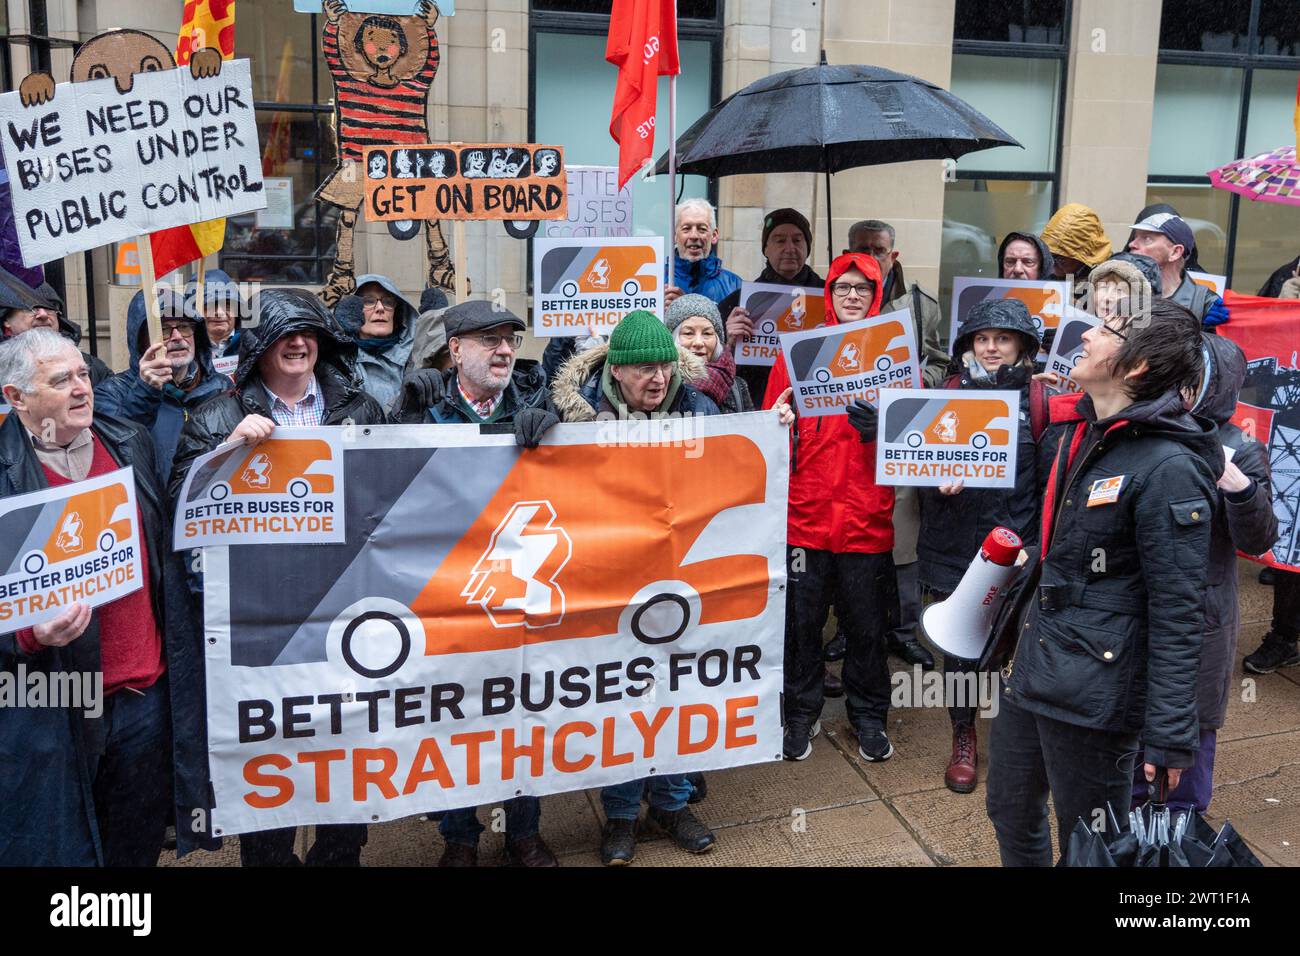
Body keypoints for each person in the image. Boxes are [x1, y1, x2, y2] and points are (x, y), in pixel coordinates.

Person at [985, 298, 1220, 866]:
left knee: (1093, 847)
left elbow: (1180, 610)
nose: (1087, 335)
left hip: (1097, 693)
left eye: (1107, 329)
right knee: (1009, 809)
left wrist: (1168, 735)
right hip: (1037, 665)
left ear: (1136, 366)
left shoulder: (1169, 467)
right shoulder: (1083, 432)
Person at [170, 289, 386, 867]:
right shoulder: (217, 416)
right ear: (259, 349)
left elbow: (394, 498)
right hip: (260, 621)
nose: (297, 343)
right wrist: (224, 455)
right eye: (284, 335)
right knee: (272, 758)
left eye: (307, 333)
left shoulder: (359, 409)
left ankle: (340, 856)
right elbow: (178, 516)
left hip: (344, 614)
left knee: (345, 757)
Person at [0, 329, 216, 866]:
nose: (81, 390)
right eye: (60, 381)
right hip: (52, 708)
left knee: (134, 850)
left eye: (82, 375)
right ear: (15, 398)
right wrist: (26, 634)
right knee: (61, 852)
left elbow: (174, 539)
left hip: (146, 696)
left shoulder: (127, 440)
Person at [390, 300, 559, 866]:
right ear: (455, 350)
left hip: (517, 597)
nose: (505, 349)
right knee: (455, 718)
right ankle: (459, 837)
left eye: (510, 338)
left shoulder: (532, 403)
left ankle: (523, 833)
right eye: (489, 340)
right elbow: (383, 483)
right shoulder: (426, 409)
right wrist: (402, 414)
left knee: (521, 716)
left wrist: (554, 428)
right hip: (449, 596)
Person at [548, 310, 718, 864]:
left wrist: (776, 426)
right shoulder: (574, 417)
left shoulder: (701, 410)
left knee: (675, 691)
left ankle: (671, 802)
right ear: (616, 372)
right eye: (645, 369)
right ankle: (621, 813)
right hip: (609, 585)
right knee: (619, 695)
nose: (659, 380)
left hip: (681, 582)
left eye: (666, 368)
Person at [1126, 331, 1277, 812]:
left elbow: (1259, 538)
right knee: (1123, 745)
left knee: (1185, 755)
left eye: (1189, 378)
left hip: (1200, 615)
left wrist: (1238, 488)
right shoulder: (1140, 430)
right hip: (1130, 605)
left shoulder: (1241, 448)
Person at [763, 253, 897, 765]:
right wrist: (780, 415)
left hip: (867, 516)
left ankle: (869, 716)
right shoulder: (799, 352)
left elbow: (918, 434)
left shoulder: (893, 353)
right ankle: (800, 712)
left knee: (866, 626)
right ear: (831, 293)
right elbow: (774, 421)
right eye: (843, 287)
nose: (853, 295)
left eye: (864, 288)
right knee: (801, 625)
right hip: (807, 515)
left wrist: (885, 426)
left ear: (877, 293)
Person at [917, 299, 1045, 794]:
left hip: (1018, 543)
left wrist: (1037, 546)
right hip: (956, 545)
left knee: (1018, 641)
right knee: (962, 648)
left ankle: (1019, 735)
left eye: (1003, 339)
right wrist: (936, 480)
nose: (990, 348)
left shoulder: (1039, 402)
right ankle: (963, 732)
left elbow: (1051, 481)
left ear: (1022, 347)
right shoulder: (943, 395)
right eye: (981, 338)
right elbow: (912, 462)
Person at [844, 220, 945, 672]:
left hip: (904, 436)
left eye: (879, 249)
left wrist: (915, 385)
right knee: (854, 544)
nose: (872, 255)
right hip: (851, 439)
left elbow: (942, 364)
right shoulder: (840, 300)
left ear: (893, 255)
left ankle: (904, 631)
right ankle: (850, 630)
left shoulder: (920, 307)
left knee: (903, 541)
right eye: (861, 248)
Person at [93, 290, 228, 483]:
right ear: (140, 342)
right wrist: (145, 392)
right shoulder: (111, 393)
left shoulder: (221, 387)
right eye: (163, 330)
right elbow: (117, 452)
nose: (177, 337)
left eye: (183, 326)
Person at [718, 208, 824, 404]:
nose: (790, 248)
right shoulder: (736, 302)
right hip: (757, 405)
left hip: (813, 407)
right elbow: (713, 367)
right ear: (765, 248)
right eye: (780, 240)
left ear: (808, 247)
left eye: (798, 240)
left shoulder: (831, 297)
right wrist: (728, 342)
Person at [1, 267, 112, 386]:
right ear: (6, 320)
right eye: (31, 308)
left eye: (50, 306)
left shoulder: (93, 368)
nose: (43, 315)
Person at [333, 274, 418, 411]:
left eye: (388, 302)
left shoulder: (417, 358)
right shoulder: (336, 360)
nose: (380, 308)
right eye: (368, 301)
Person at [1127, 211, 1225, 325]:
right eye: (1135, 237)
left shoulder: (1204, 303)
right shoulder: (1123, 289)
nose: (1132, 244)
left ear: (1175, 252)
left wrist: (1207, 331)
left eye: (1147, 239)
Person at [664, 293, 752, 414]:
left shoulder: (737, 387)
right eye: (688, 333)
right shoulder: (660, 385)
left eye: (707, 333)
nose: (699, 342)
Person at [663, 198, 742, 307]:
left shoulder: (734, 285)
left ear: (714, 235)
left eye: (702, 229)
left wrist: (684, 308)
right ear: (675, 235)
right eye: (686, 228)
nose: (694, 236)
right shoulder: (656, 282)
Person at [1040, 203, 1113, 292]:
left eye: (1060, 260)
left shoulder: (1108, 283)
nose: (1052, 267)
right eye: (1048, 256)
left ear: (1083, 258)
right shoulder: (1042, 274)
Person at [199, 268, 244, 360]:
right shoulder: (183, 350)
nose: (219, 313)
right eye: (210, 305)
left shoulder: (252, 344)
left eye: (227, 305)